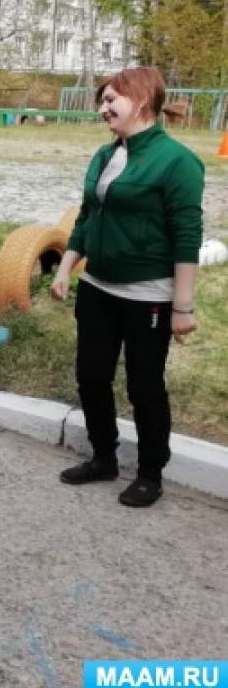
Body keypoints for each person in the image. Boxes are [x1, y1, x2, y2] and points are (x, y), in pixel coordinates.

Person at [51, 68, 204, 508]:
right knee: (91, 376)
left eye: (110, 100)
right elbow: (87, 216)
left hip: (147, 295)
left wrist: (182, 306)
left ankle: (150, 473)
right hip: (97, 287)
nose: (103, 109)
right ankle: (103, 458)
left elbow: (186, 236)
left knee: (144, 386)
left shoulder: (177, 161)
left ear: (139, 101)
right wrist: (66, 268)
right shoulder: (105, 155)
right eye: (102, 101)